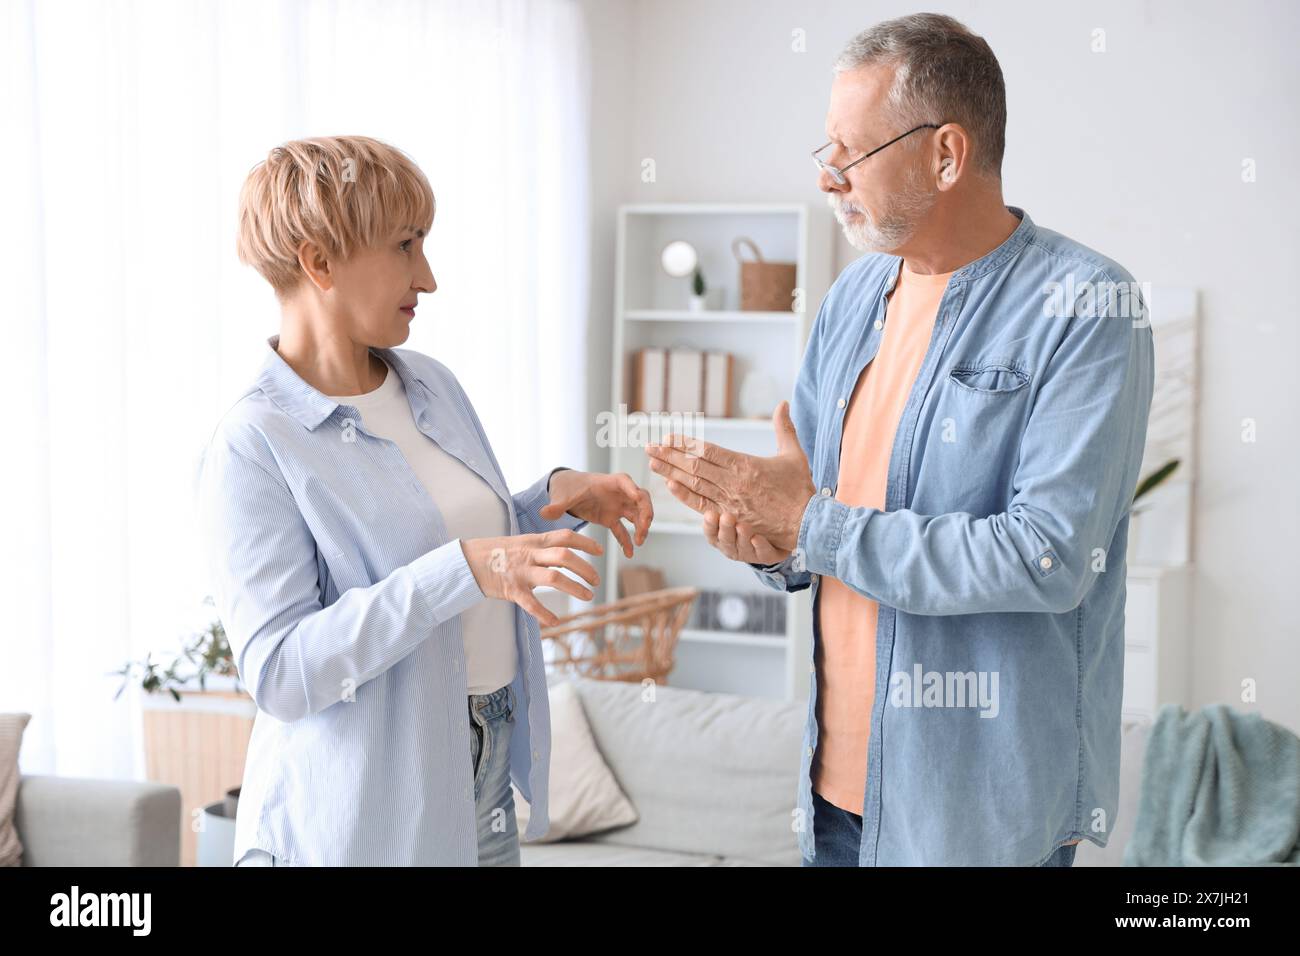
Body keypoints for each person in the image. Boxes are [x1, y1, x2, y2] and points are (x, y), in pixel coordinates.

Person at [645, 13, 1154, 867]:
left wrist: (809, 523)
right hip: (833, 799)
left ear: (945, 155)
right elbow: (813, 520)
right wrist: (767, 538)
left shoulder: (1088, 305)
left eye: (849, 151)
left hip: (979, 818)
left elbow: (1050, 558)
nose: (826, 177)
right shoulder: (851, 299)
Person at [200, 135, 653, 866]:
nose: (429, 277)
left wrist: (549, 501)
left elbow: (436, 540)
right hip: (359, 817)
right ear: (319, 262)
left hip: (485, 766)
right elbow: (282, 673)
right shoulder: (256, 442)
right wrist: (465, 570)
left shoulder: (430, 382)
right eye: (407, 245)